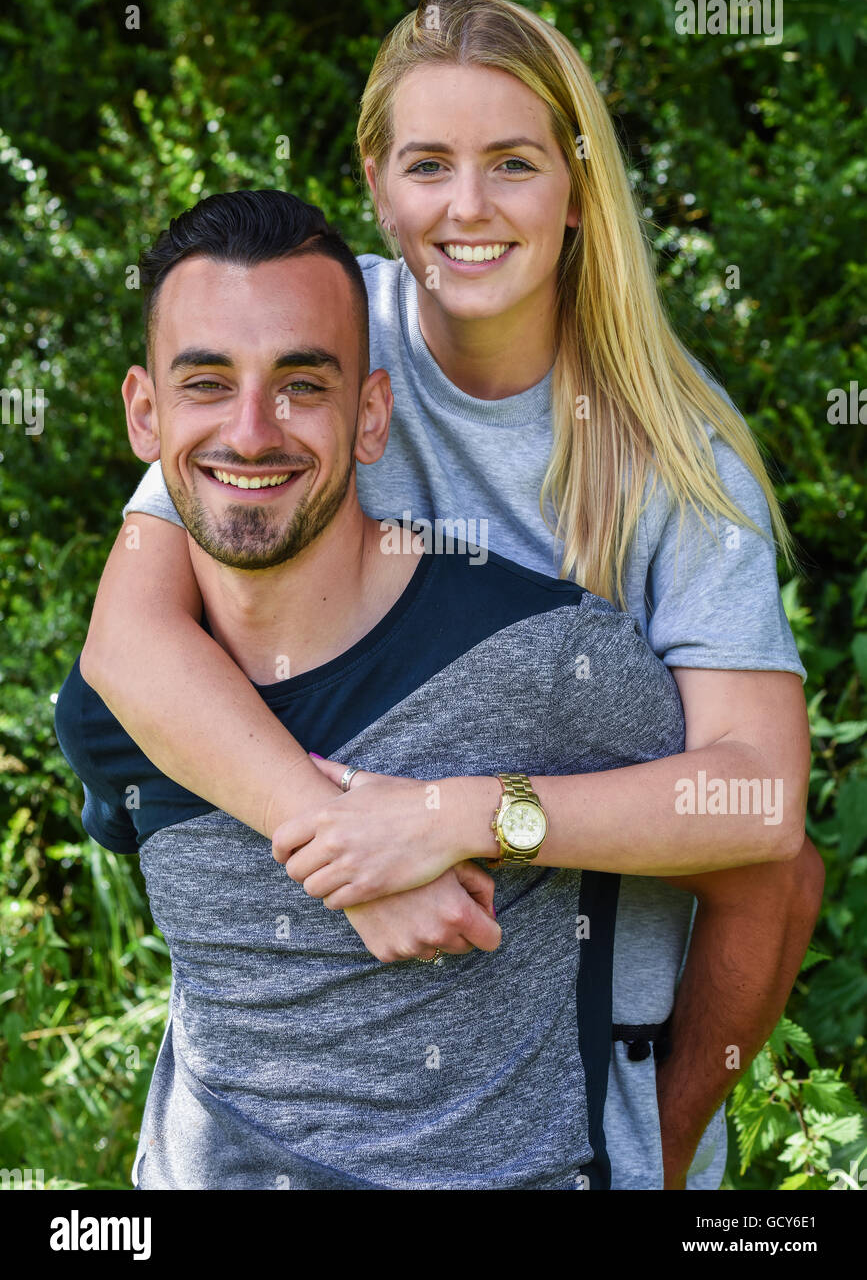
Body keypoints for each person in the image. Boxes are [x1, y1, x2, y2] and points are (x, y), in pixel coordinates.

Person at [78, 0, 822, 1191]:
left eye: (514, 163)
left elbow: (759, 805)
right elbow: (128, 639)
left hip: (563, 1095)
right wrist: (336, 844)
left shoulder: (675, 454)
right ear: (376, 181)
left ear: (579, 189)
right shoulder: (308, 333)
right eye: (429, 163)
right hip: (279, 1084)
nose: (466, 208)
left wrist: (452, 820)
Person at [55, 190, 691, 1189]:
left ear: (371, 415)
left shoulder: (551, 662)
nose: (253, 431)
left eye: (303, 385)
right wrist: (342, 846)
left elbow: (767, 865)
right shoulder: (115, 706)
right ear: (146, 412)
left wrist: (671, 1152)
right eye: (207, 383)